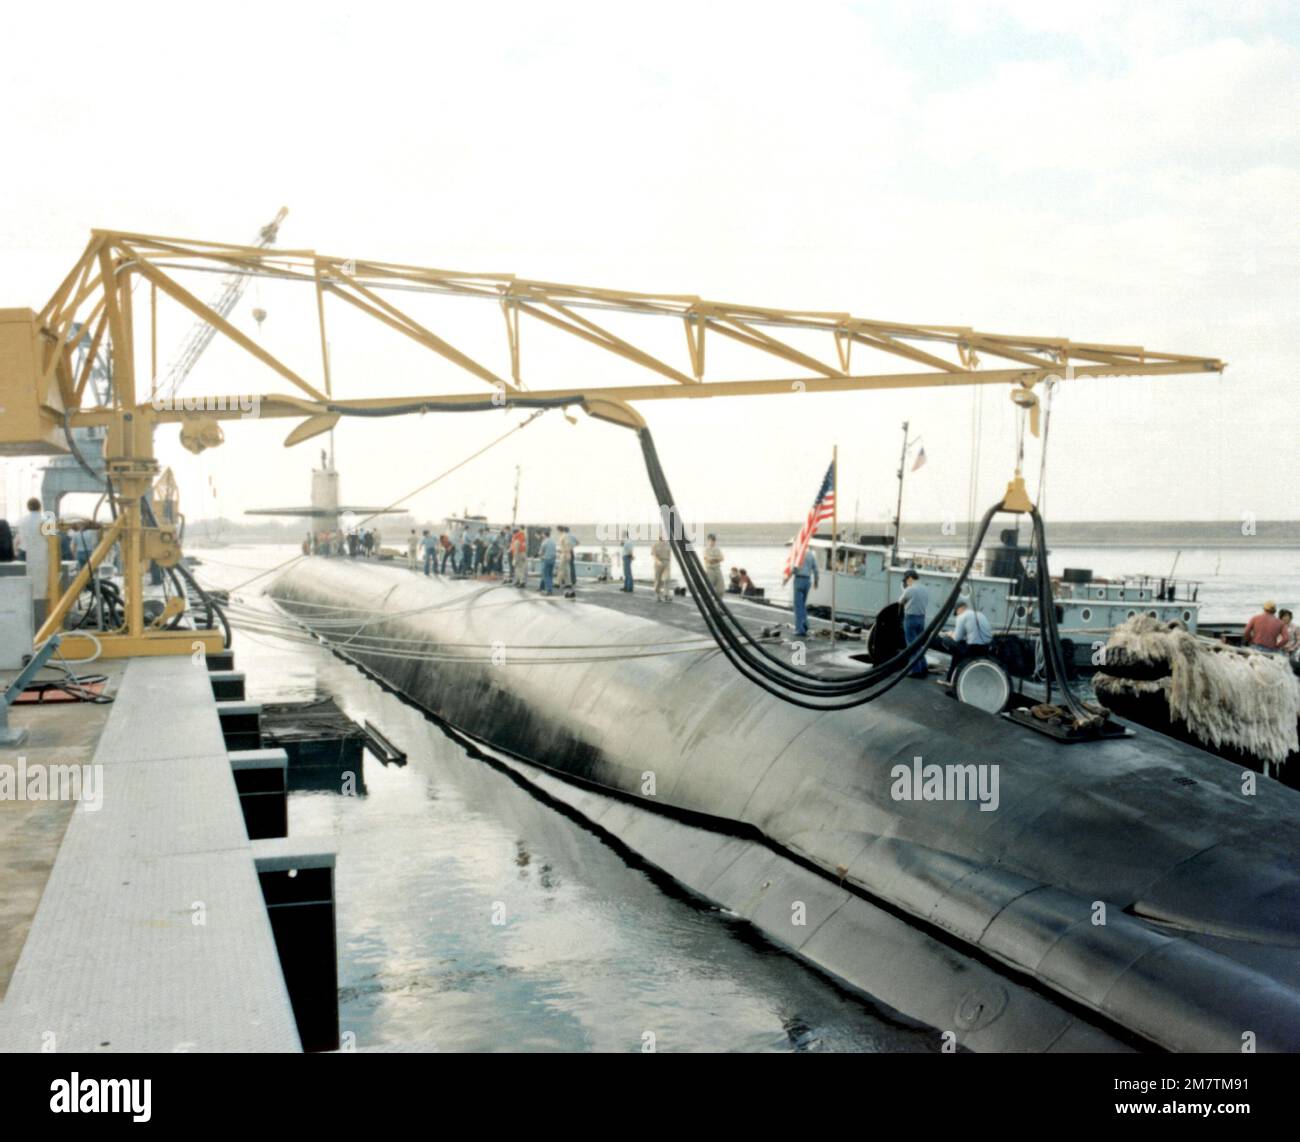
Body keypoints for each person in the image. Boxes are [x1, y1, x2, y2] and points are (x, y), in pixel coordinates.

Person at [15, 497, 51, 631]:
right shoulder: (46, 520)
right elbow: (51, 539)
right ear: (40, 506)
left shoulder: (22, 521)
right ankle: (42, 621)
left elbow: (20, 540)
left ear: (28, 507)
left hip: (25, 555)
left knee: (26, 587)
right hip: (42, 555)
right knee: (41, 588)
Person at [945, 600, 993, 683]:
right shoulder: (979, 614)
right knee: (961, 645)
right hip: (987, 647)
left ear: (959, 609)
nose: (957, 615)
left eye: (956, 613)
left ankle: (952, 677)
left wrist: (950, 634)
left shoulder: (962, 616)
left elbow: (957, 638)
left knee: (947, 641)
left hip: (973, 648)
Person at [900, 570, 931, 677]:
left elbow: (900, 602)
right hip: (921, 619)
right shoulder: (925, 589)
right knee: (919, 645)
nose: (906, 583)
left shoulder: (910, 589)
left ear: (909, 579)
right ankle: (923, 667)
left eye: (906, 581)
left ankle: (916, 670)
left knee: (911, 646)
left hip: (911, 619)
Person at [786, 551, 818, 636]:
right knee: (803, 605)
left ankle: (800, 629)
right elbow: (815, 568)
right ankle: (805, 624)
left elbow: (794, 569)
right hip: (807, 581)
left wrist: (786, 579)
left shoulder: (798, 553)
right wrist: (816, 581)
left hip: (799, 579)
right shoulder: (811, 554)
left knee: (798, 606)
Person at [651, 533, 672, 602]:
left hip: (666, 562)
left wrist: (669, 562)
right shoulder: (655, 544)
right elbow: (654, 555)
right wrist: (657, 561)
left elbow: (669, 554)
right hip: (658, 563)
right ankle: (657, 595)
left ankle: (666, 595)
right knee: (658, 580)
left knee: (667, 578)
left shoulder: (667, 544)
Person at [539, 528, 557, 595]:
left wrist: (540, 556)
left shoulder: (544, 542)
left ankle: (549, 590)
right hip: (553, 560)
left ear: (544, 535)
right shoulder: (553, 541)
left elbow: (540, 552)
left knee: (546, 575)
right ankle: (543, 587)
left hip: (546, 560)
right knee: (550, 575)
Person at [556, 527, 574, 593]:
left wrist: (567, 552)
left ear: (559, 530)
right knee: (566, 569)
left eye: (557, 531)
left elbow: (568, 545)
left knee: (561, 569)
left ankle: (557, 583)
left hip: (564, 554)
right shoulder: (565, 536)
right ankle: (568, 583)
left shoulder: (564, 536)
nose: (557, 532)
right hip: (565, 553)